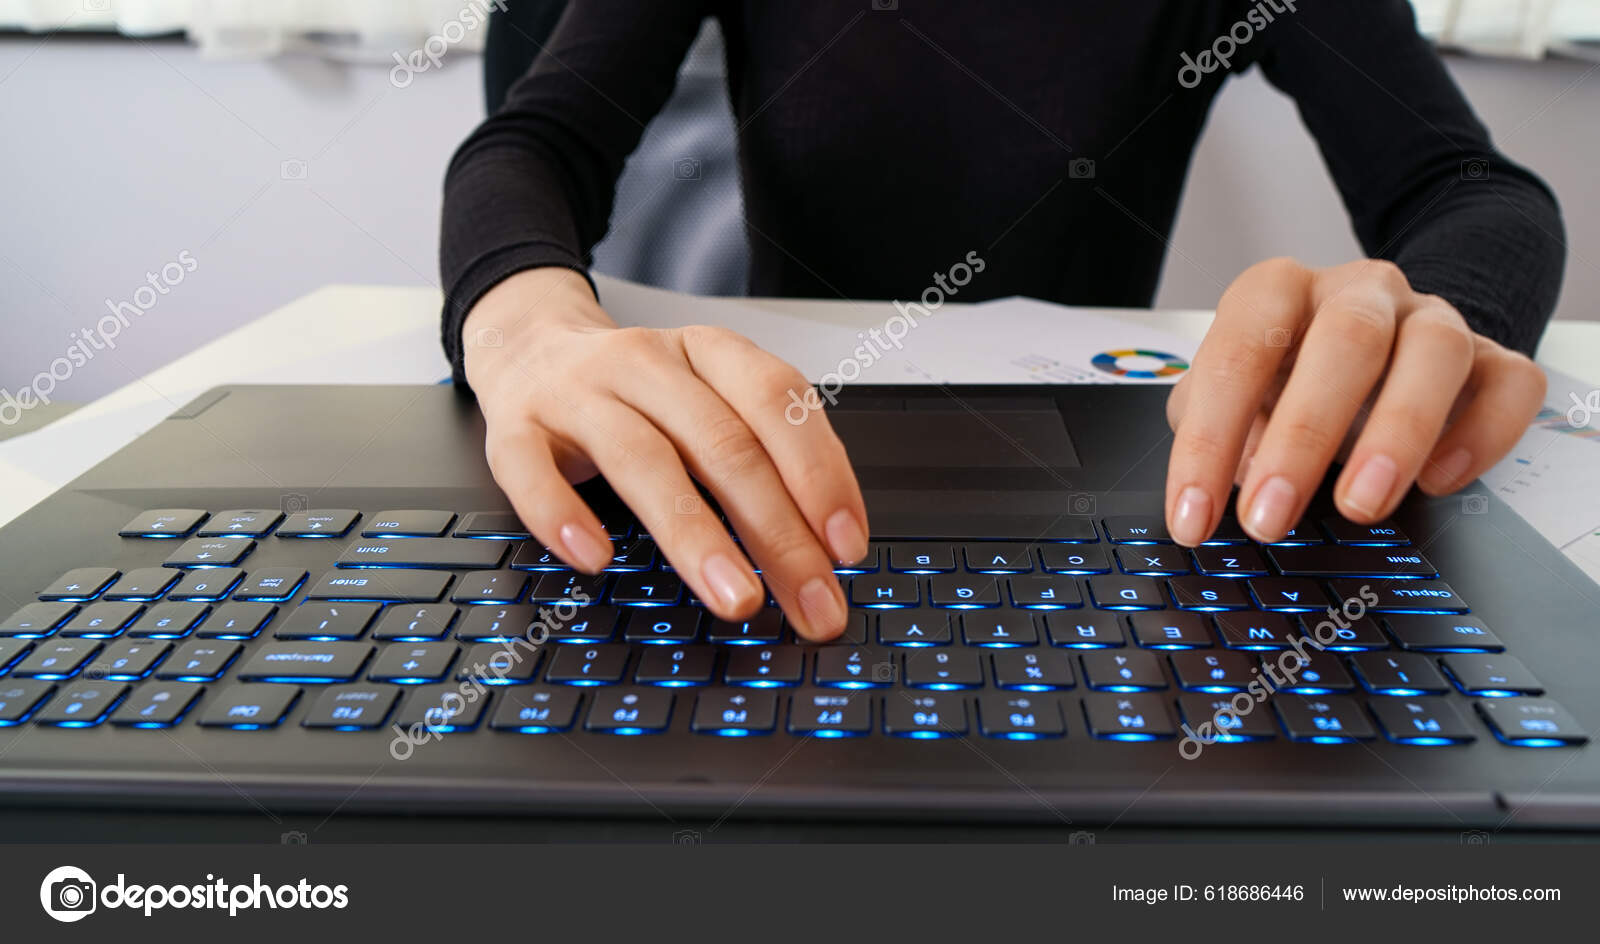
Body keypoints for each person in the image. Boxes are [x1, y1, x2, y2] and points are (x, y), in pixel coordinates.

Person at [439, 0, 1565, 642]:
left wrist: (1432, 323)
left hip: (1110, 509)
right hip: (780, 457)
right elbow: (537, 140)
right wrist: (527, 327)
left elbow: (1470, 188)